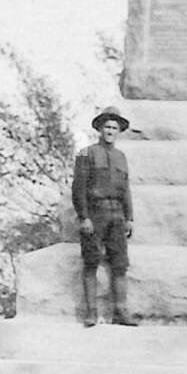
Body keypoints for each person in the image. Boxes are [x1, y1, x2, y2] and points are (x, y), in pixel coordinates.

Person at [71, 106, 139, 327]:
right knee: (91, 263)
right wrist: (84, 217)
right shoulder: (86, 153)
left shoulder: (121, 157)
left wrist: (130, 217)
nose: (110, 131)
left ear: (118, 131)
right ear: (99, 129)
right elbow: (78, 187)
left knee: (120, 265)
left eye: (114, 127)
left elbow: (125, 189)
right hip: (95, 212)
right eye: (107, 127)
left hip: (117, 215)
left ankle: (120, 311)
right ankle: (91, 312)